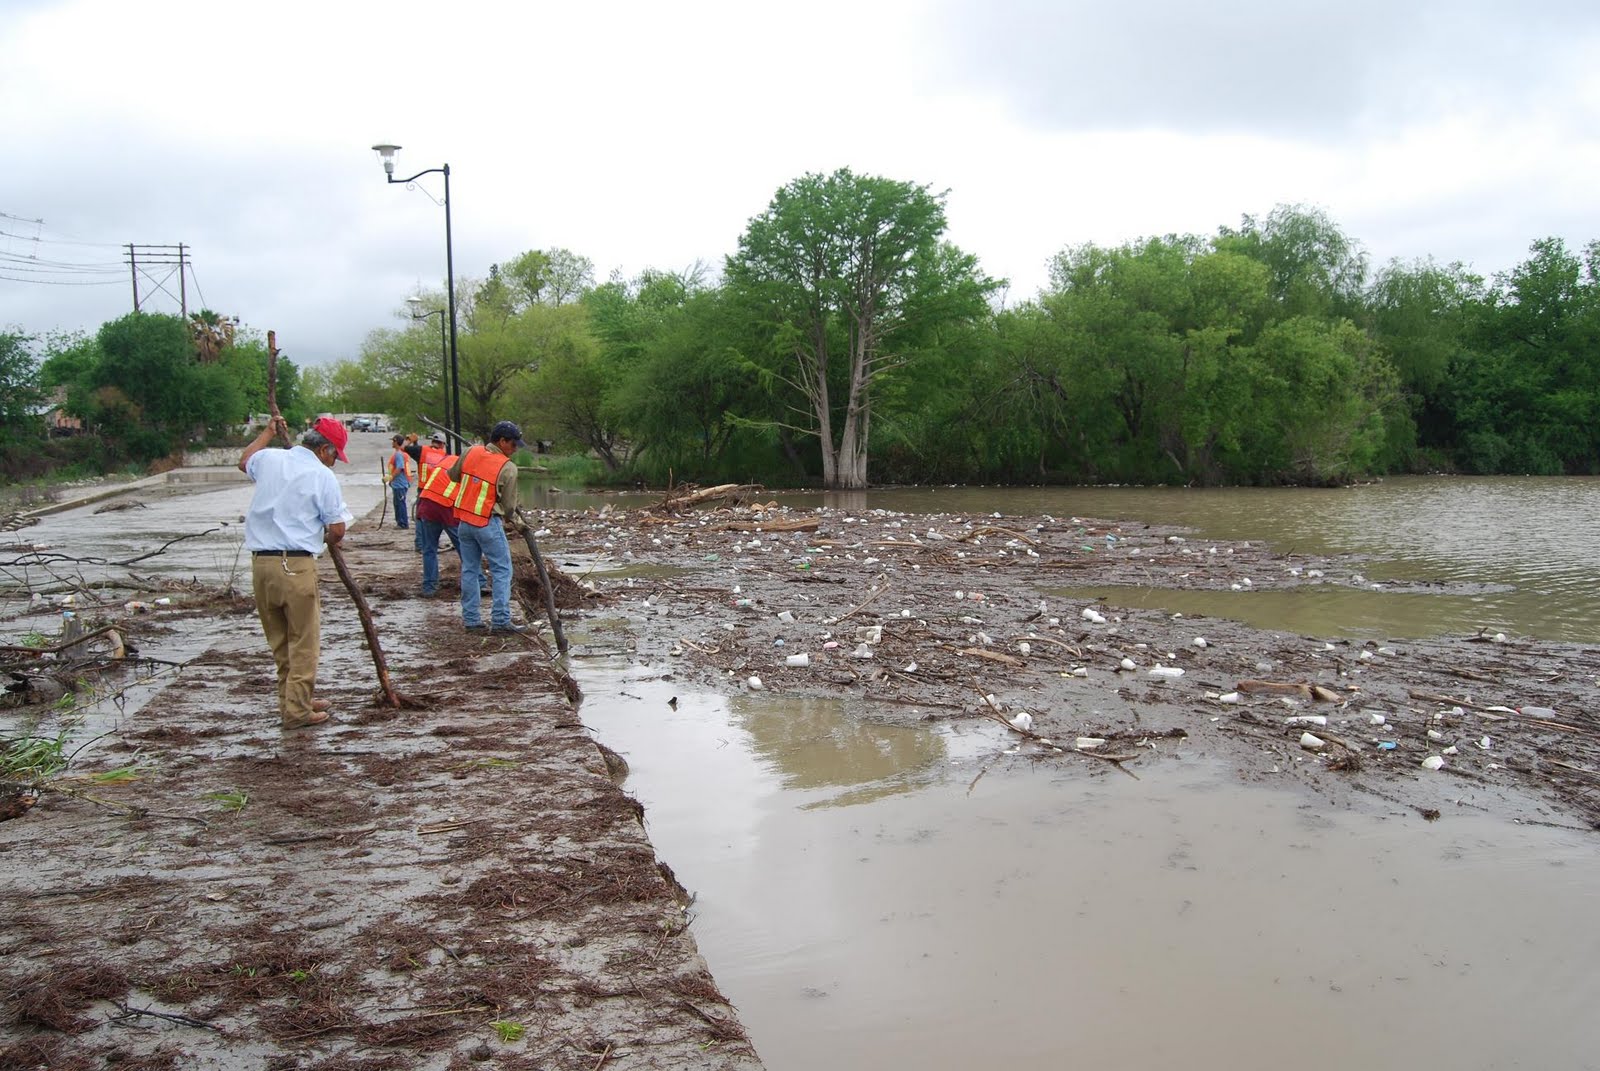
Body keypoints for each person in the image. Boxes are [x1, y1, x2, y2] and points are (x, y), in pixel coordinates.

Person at [238, 415, 353, 730]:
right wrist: (327, 539)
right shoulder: (321, 476)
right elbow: (338, 528)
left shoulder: (271, 459)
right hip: (295, 564)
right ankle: (298, 712)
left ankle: (294, 700)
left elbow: (244, 460)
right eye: (335, 456)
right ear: (325, 450)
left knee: (280, 641)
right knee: (304, 640)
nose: (334, 463)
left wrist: (268, 432)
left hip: (261, 565)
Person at [446, 420, 529, 633]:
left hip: (464, 522)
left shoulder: (470, 452)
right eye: (513, 445)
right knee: (502, 570)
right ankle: (501, 620)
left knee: (470, 570)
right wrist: (519, 524)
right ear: (502, 441)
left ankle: (471, 621)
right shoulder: (508, 467)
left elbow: (452, 475)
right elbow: (509, 508)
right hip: (487, 523)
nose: (515, 449)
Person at [415, 431, 462, 598]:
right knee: (464, 547)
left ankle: (429, 587)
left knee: (429, 549)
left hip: (426, 503)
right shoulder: (466, 467)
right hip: (446, 507)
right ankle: (479, 581)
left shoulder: (446, 460)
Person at [385, 434, 412, 529]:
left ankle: (402, 523)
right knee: (398, 503)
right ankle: (400, 522)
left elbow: (400, 467)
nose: (392, 443)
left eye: (393, 441)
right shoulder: (401, 453)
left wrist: (391, 477)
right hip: (399, 483)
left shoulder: (399, 454)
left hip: (400, 484)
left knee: (400, 504)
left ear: (396, 442)